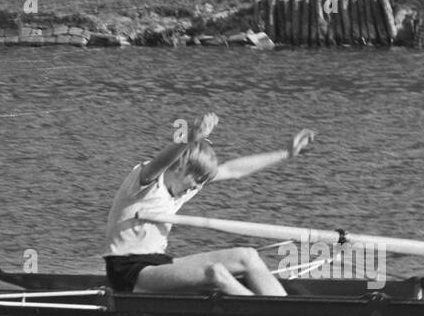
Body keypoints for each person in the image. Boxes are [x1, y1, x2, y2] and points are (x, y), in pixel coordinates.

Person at [104, 113, 315, 296]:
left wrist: (286, 153)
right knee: (215, 271)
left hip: (159, 263)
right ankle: (266, 311)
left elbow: (233, 170)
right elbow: (161, 161)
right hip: (128, 271)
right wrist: (189, 139)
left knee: (248, 256)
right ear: (180, 168)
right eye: (196, 180)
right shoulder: (144, 182)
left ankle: (283, 307)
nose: (197, 187)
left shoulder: (183, 188)